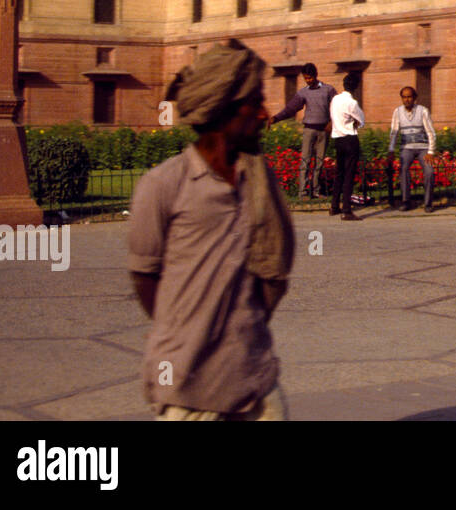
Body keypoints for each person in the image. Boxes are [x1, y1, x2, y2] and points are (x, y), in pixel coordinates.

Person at [127, 38, 294, 420]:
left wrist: (242, 324)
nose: (264, 113)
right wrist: (189, 330)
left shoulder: (258, 181)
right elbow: (144, 277)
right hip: (188, 391)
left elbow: (275, 269)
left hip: (255, 381)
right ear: (225, 112)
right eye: (255, 103)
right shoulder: (164, 185)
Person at [269, 62, 336, 198]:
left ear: (315, 75)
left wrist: (332, 122)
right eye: (306, 78)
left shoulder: (329, 90)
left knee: (319, 162)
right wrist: (275, 118)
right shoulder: (303, 92)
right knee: (305, 161)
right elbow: (291, 109)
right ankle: (303, 192)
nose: (308, 80)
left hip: (323, 130)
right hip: (309, 130)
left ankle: (316, 191)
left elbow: (337, 107)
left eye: (310, 78)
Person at [387, 86, 437, 211]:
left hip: (423, 148)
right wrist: (391, 149)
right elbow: (394, 132)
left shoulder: (423, 110)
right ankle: (406, 201)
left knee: (429, 171)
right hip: (406, 148)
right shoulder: (397, 112)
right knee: (403, 169)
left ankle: (428, 203)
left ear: (414, 98)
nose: (407, 100)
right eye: (404, 97)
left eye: (409, 97)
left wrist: (431, 152)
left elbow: (431, 132)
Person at [330, 71, 365, 221]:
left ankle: (334, 206)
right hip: (350, 139)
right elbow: (361, 120)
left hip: (338, 138)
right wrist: (354, 123)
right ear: (356, 87)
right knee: (349, 174)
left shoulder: (335, 99)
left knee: (339, 173)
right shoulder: (352, 103)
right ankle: (346, 209)